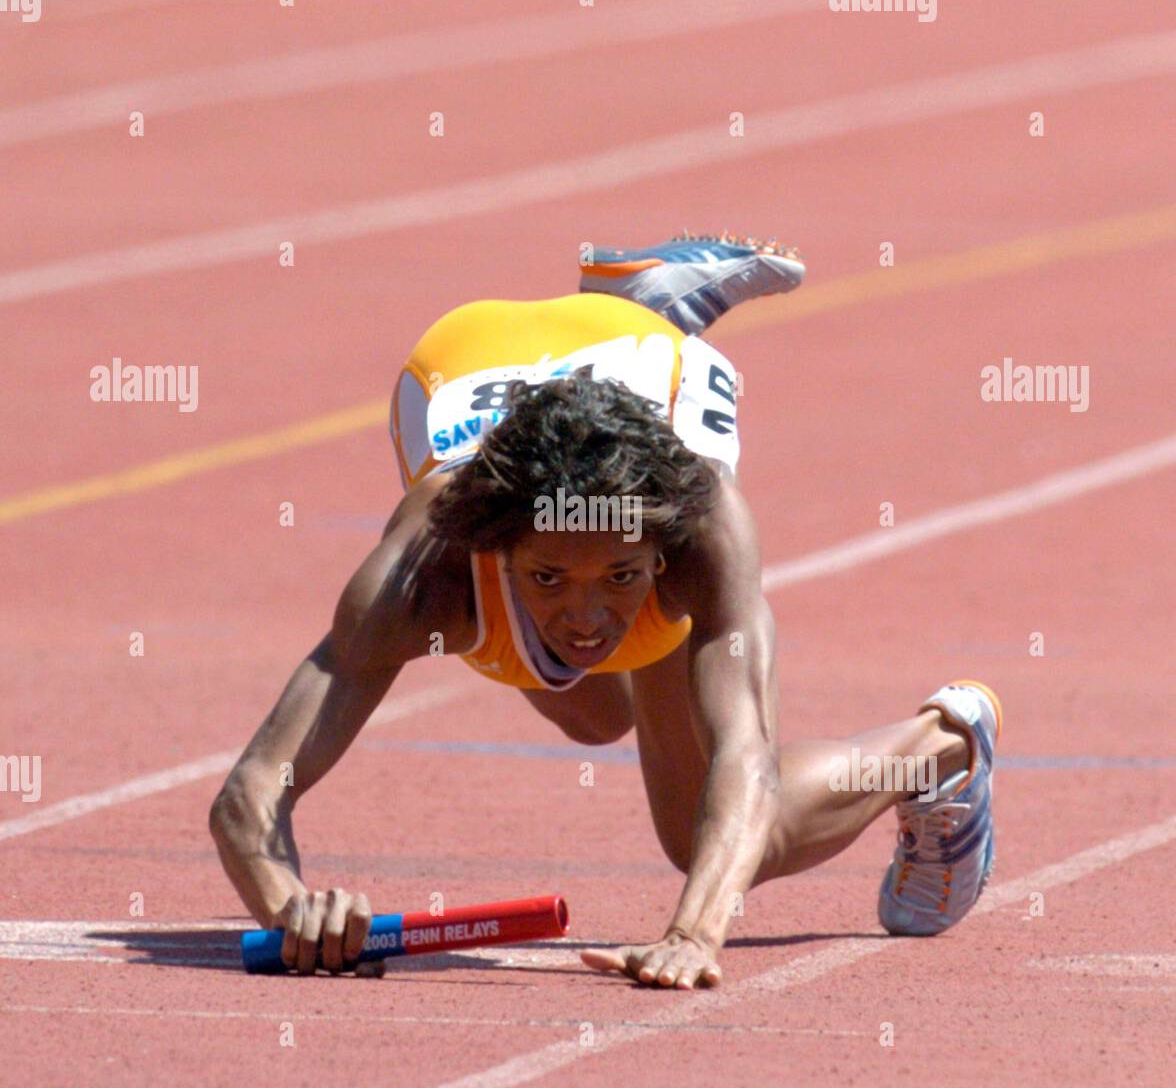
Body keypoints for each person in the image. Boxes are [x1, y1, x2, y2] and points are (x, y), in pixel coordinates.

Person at [210, 232, 1001, 987]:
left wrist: (694, 933)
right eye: (549, 580)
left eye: (620, 577)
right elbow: (248, 793)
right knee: (591, 713)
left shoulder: (702, 529)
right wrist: (294, 910)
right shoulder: (427, 571)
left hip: (642, 389)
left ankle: (945, 745)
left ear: (658, 551)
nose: (587, 615)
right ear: (497, 548)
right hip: (464, 349)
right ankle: (647, 305)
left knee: (711, 839)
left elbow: (747, 760)